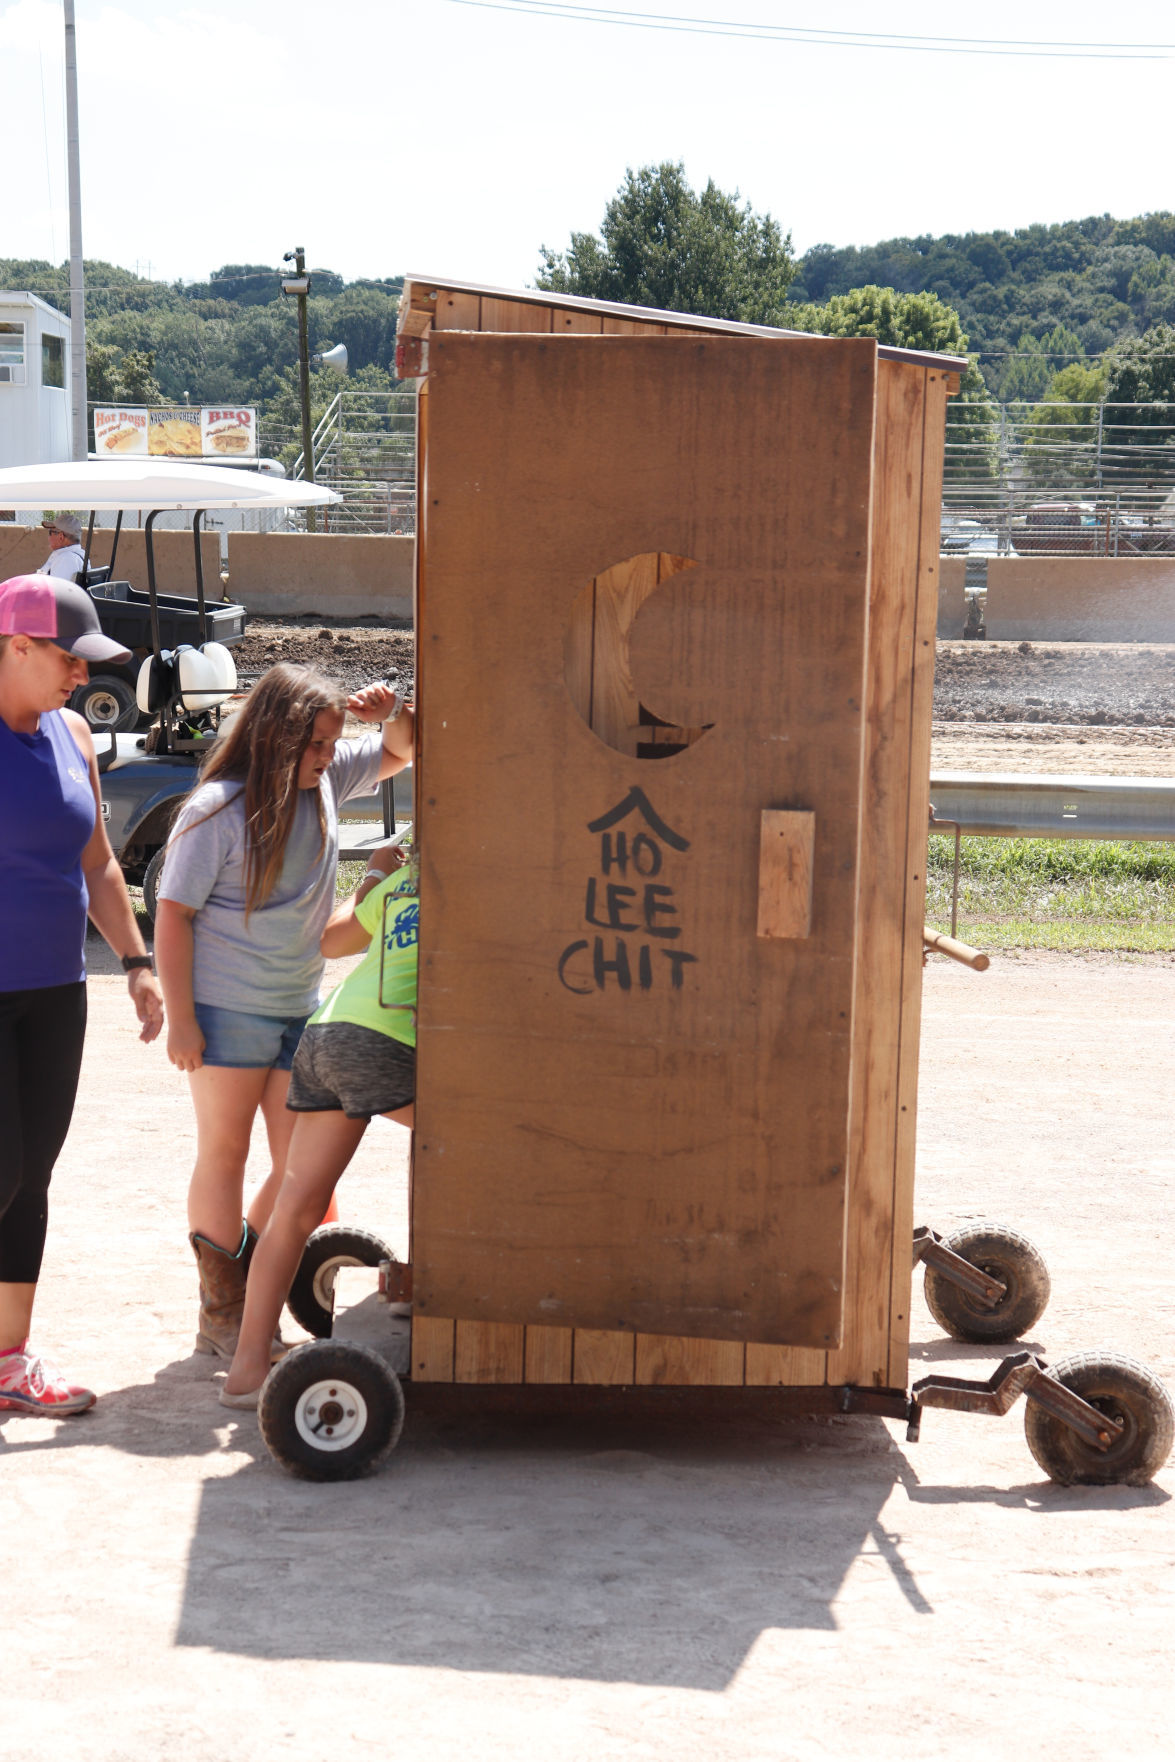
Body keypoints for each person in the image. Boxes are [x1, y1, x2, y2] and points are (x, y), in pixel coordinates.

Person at [153, 663, 413, 1362]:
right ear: (276, 736)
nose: (330, 757)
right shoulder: (216, 809)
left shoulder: (322, 781)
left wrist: (390, 711)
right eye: (319, 744)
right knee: (226, 1152)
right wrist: (182, 1019)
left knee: (294, 1165)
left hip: (298, 1006)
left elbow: (401, 750)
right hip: (225, 1009)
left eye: (333, 743)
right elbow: (171, 917)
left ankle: (248, 1293)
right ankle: (225, 1317)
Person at [0, 575, 164, 1417]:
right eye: (69, 659)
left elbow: (97, 860)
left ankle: (8, 1362)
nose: (80, 677)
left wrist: (136, 961)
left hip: (56, 990)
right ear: (16, 647)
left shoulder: (70, 734)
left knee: (31, 1177)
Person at [221, 836, 418, 1408]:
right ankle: (428, 1280)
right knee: (478, 1143)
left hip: (327, 1031)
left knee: (295, 1206)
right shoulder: (477, 885)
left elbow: (333, 941)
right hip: (385, 1043)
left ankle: (246, 1368)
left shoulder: (402, 886)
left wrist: (374, 876)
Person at [38, 514, 87, 583]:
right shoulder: (79, 554)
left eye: (50, 533)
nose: (48, 538)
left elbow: (57, 591)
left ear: (61, 536)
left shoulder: (66, 559)